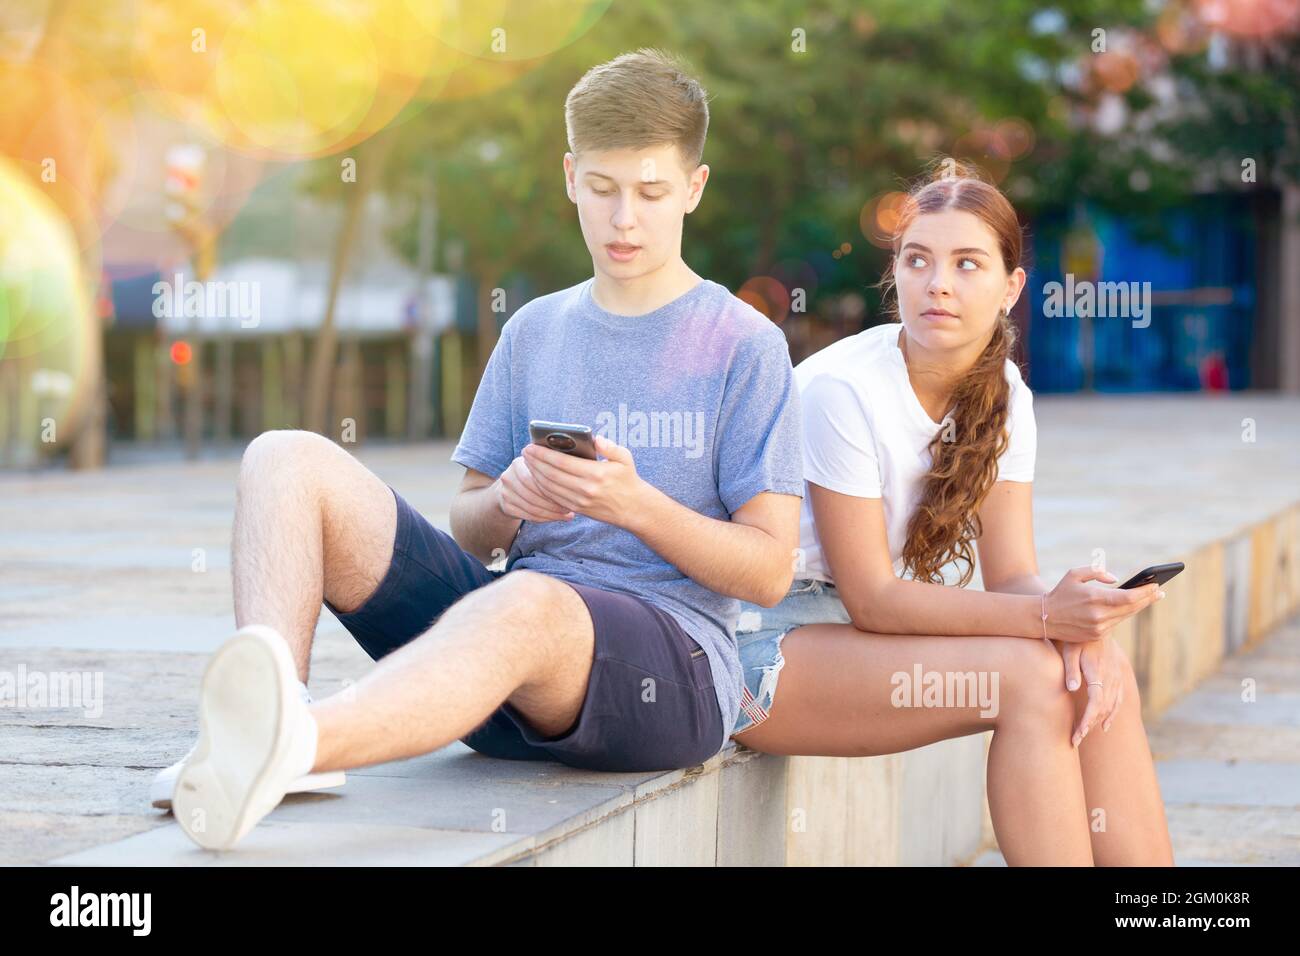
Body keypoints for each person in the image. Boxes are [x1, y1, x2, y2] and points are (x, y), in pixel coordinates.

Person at [154, 48, 805, 851]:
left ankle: (287, 746)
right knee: (284, 457)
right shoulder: (536, 330)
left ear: (694, 190)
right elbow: (470, 526)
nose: (624, 219)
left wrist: (637, 507)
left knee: (527, 603)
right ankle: (274, 714)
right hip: (500, 660)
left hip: (666, 676)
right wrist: (509, 501)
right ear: (571, 177)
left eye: (651, 193)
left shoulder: (744, 344)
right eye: (602, 190)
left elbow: (771, 570)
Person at [728, 161, 1175, 866]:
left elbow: (1014, 575)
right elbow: (874, 598)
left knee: (1093, 671)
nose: (938, 283)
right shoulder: (840, 391)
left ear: (1010, 287)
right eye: (918, 261)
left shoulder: (1004, 394)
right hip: (762, 648)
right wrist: (1044, 620)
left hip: (852, 639)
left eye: (967, 264)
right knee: (1033, 676)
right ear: (896, 275)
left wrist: (1081, 617)